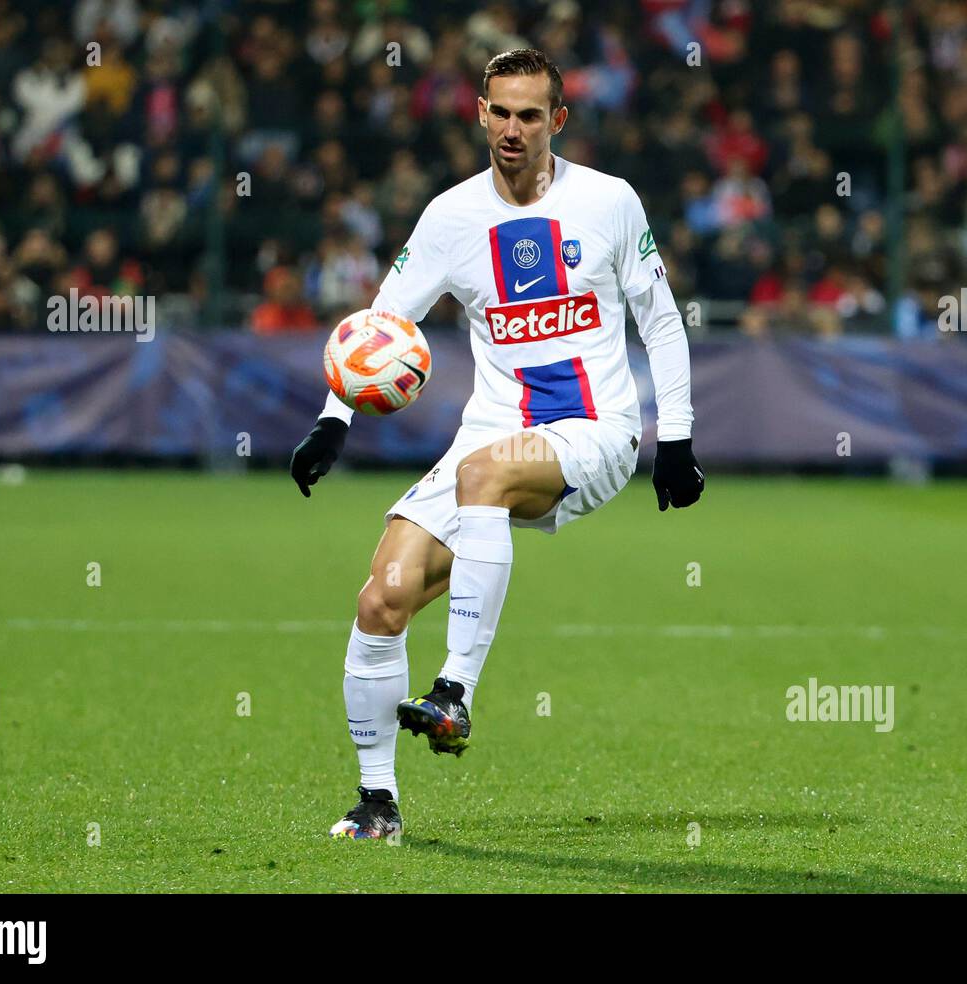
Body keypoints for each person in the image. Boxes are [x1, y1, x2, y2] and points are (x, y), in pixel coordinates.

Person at [288, 49, 704, 839]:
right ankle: (378, 804)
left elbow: (661, 321)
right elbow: (378, 329)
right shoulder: (451, 217)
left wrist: (674, 439)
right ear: (480, 112)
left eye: (530, 115)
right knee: (382, 599)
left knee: (484, 475)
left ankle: (454, 691)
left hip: (594, 432)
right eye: (500, 112)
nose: (513, 129)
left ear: (558, 120)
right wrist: (332, 421)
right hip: (492, 434)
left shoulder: (609, 202)